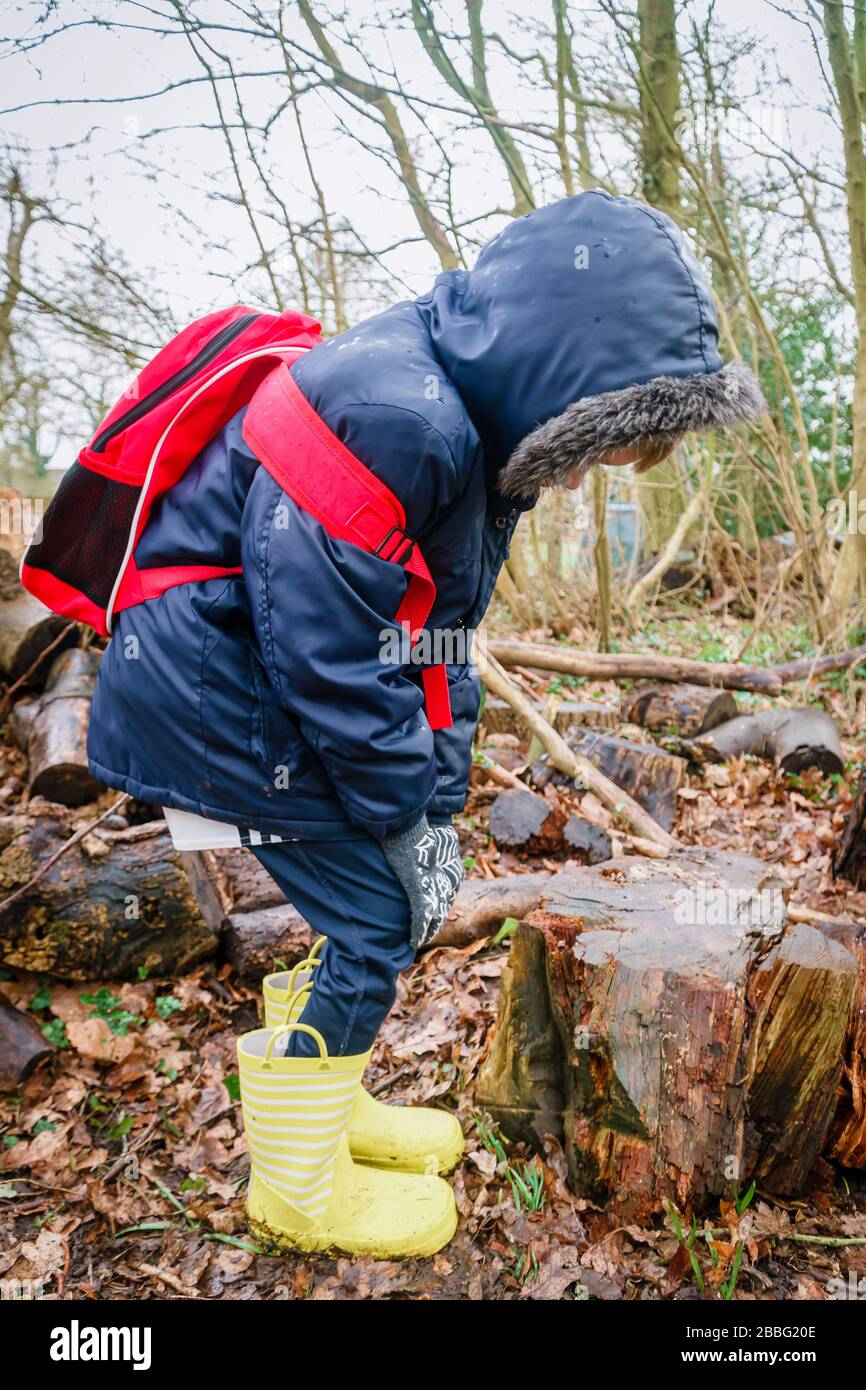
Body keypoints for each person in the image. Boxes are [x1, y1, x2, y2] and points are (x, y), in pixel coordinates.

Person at [87, 190, 765, 1257]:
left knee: (380, 906)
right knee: (375, 921)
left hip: (258, 684)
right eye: (594, 446)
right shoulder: (398, 418)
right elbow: (329, 654)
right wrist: (405, 822)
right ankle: (296, 1187)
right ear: (568, 378)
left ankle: (327, 1100)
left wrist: (436, 802)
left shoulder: (473, 436)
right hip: (214, 697)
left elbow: (434, 638)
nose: (584, 474)